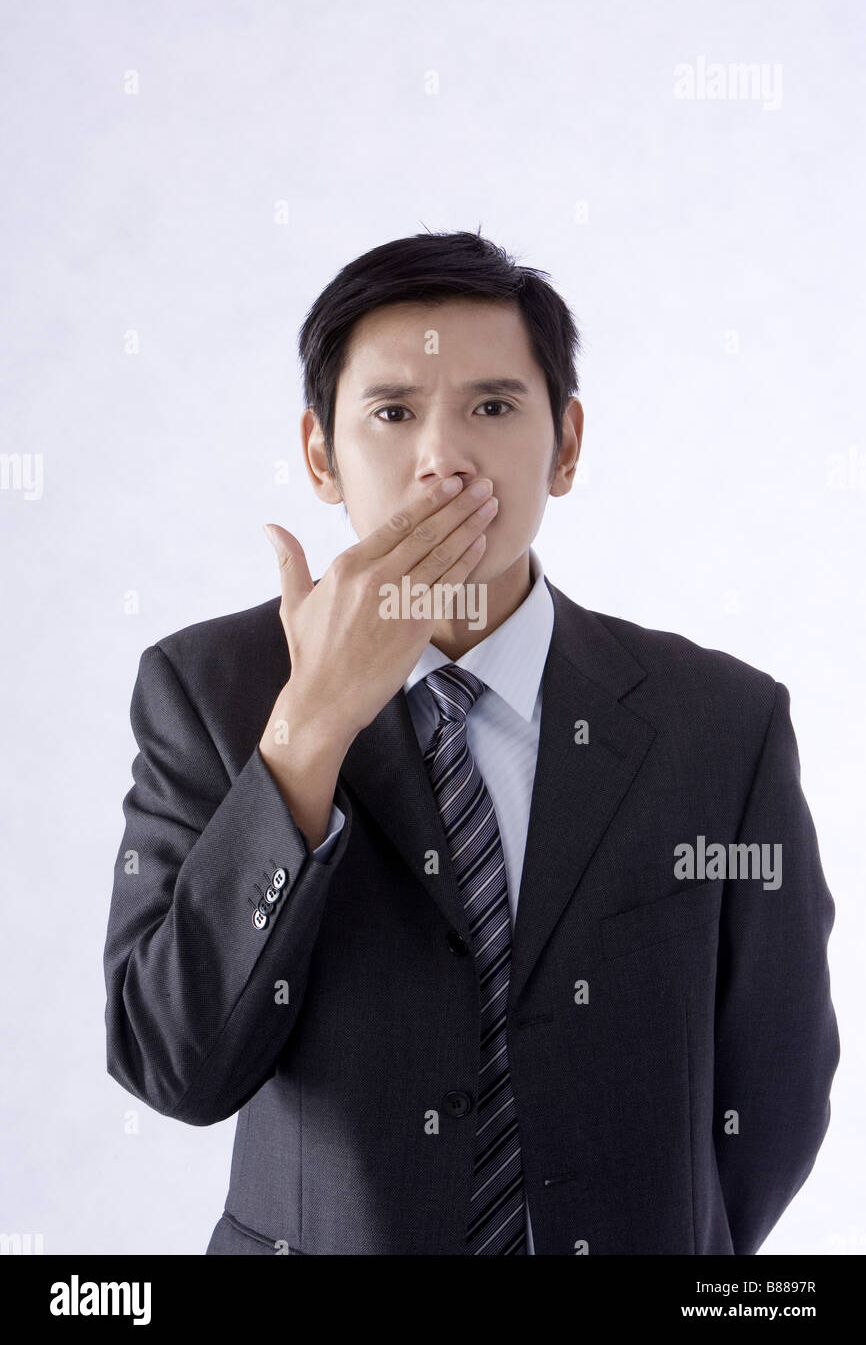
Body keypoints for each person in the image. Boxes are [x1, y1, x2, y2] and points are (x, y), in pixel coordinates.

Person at [103, 229, 839, 1255]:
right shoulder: (209, 692)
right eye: (391, 413)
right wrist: (306, 732)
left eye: (492, 407)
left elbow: (776, 1082)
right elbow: (173, 1065)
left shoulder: (720, 721)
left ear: (565, 445)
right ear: (320, 454)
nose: (442, 458)